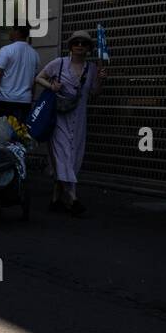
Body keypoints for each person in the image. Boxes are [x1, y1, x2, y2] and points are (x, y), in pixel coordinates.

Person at [34, 30, 106, 217]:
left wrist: (101, 79)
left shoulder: (91, 69)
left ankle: (56, 199)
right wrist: (51, 86)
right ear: (71, 46)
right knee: (62, 156)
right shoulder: (59, 64)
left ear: (88, 48)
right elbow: (39, 77)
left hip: (79, 120)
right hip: (59, 118)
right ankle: (72, 198)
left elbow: (95, 93)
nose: (79, 46)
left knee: (73, 158)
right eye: (76, 42)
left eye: (83, 43)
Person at [0, 23, 40, 121]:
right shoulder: (34, 54)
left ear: (17, 32)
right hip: (25, 101)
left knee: (0, 133)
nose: (10, 32)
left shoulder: (6, 50)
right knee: (20, 132)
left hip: (4, 100)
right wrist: (31, 98)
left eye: (11, 29)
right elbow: (34, 80)